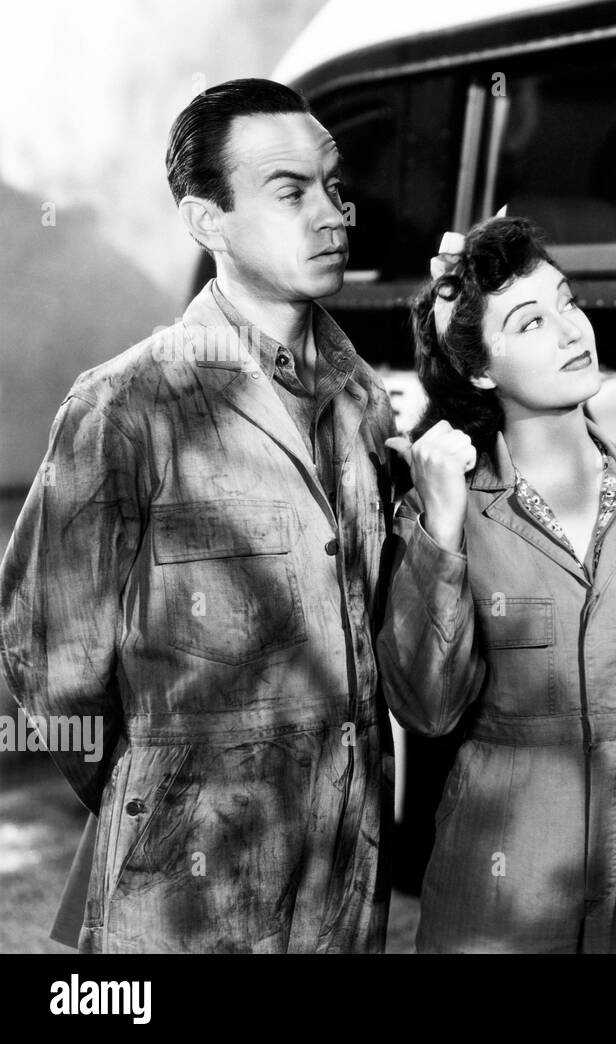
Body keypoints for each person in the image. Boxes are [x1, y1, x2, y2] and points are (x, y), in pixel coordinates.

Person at [0, 78, 397, 952]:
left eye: (334, 185)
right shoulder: (129, 404)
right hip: (185, 900)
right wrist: (164, 793)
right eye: (289, 193)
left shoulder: (362, 401)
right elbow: (50, 653)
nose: (332, 213)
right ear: (206, 221)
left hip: (342, 889)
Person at [377, 215, 616, 953]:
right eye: (529, 321)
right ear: (481, 370)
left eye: (567, 301)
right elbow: (425, 708)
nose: (569, 328)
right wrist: (444, 533)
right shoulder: (447, 513)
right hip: (502, 901)